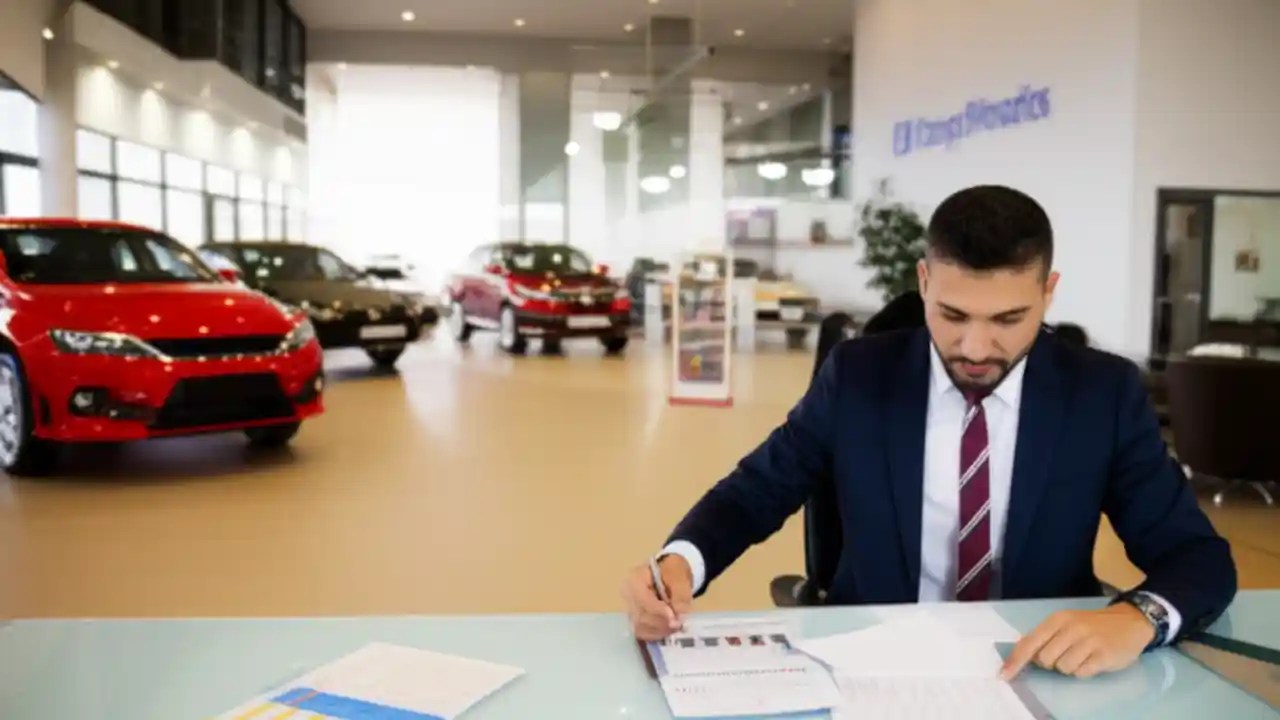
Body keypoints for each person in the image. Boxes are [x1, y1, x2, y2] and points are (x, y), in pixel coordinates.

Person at [623, 185, 1236, 680]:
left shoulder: (1101, 395)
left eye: (1008, 319)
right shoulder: (860, 375)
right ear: (922, 282)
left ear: (1048, 292)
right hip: (870, 663)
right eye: (952, 314)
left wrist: (1140, 617)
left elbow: (1198, 558)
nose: (975, 348)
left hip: (1033, 668)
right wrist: (680, 562)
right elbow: (755, 491)